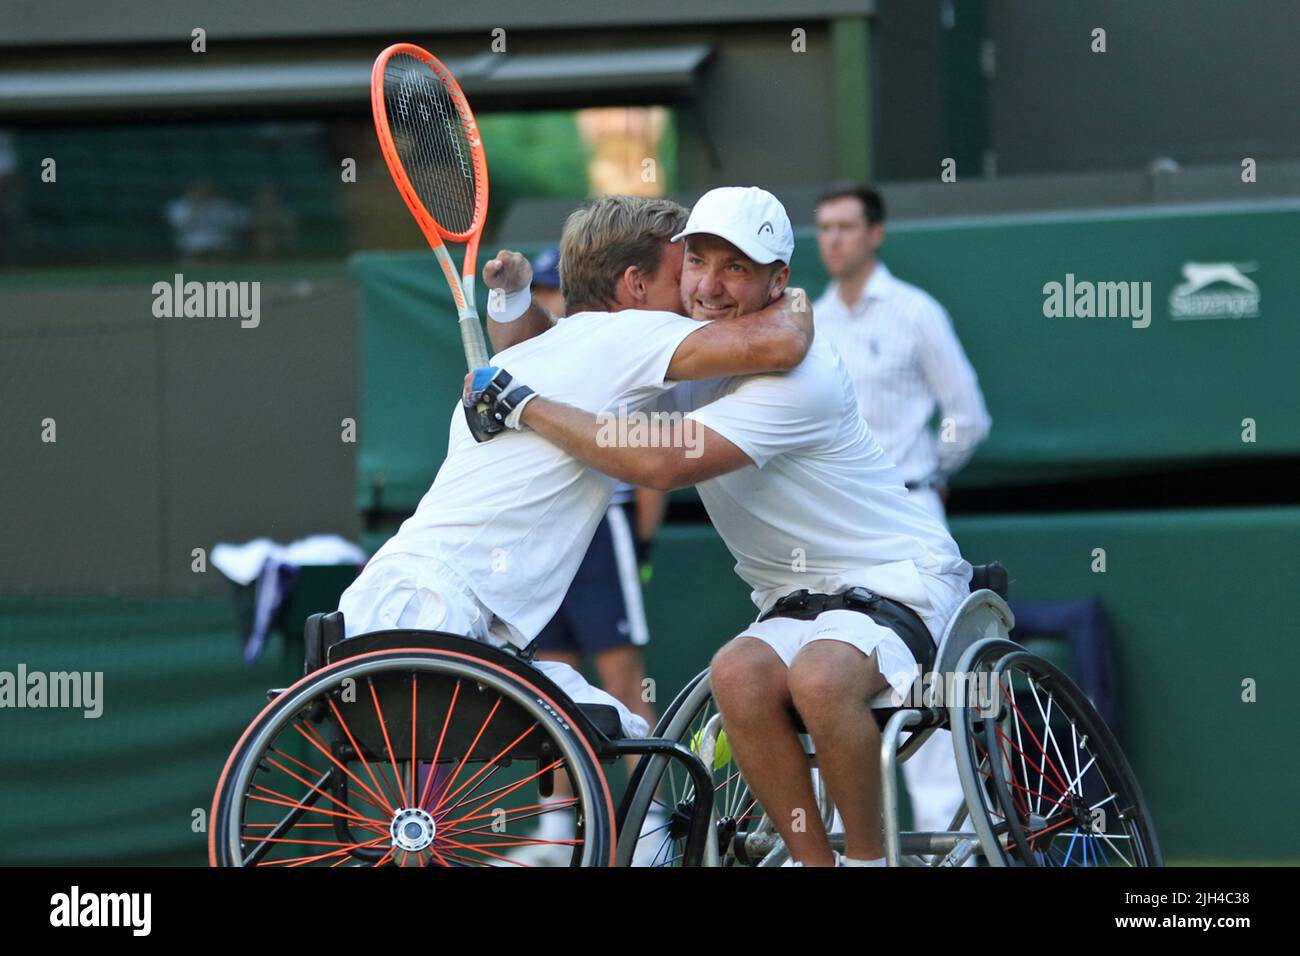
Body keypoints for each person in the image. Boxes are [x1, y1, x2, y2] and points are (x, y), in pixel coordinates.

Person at [481, 186, 972, 866]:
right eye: (699, 261)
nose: (709, 285)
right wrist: (513, 306)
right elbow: (566, 356)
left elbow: (657, 461)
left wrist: (524, 407)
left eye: (736, 269)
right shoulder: (685, 345)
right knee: (735, 675)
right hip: (794, 602)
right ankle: (812, 862)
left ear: (779, 282)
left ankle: (866, 860)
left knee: (825, 679)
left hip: (899, 580)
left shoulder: (800, 373)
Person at [334, 195, 813, 859]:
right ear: (636, 286)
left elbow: (541, 337)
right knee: (639, 737)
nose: (701, 290)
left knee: (620, 724)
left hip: (395, 607)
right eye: (687, 270)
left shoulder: (538, 356)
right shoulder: (633, 335)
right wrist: (790, 291)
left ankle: (648, 850)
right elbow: (781, 344)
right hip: (437, 610)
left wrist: (512, 302)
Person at [813, 182, 991, 839]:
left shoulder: (917, 312)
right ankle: (827, 837)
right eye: (823, 227)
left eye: (846, 226)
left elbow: (967, 416)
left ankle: (948, 835)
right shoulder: (811, 323)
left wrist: (928, 472)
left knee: (929, 678)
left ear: (875, 233)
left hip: (912, 516)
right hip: (829, 528)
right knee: (818, 665)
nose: (833, 238)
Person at [507, 247, 670, 865]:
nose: (548, 300)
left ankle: (651, 822)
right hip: (545, 538)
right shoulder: (528, 356)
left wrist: (642, 543)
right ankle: (555, 828)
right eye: (539, 290)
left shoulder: (612, 355)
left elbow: (653, 469)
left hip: (604, 532)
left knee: (622, 680)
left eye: (555, 289)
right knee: (548, 683)